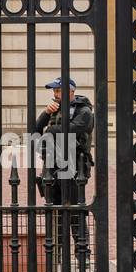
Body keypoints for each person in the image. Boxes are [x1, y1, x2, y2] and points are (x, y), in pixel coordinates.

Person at [34, 77, 95, 205]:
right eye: (54, 91)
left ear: (70, 91)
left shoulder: (84, 111)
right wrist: (45, 113)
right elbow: (35, 132)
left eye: (58, 91)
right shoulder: (54, 110)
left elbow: (71, 130)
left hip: (74, 166)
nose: (55, 95)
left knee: (73, 211)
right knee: (53, 211)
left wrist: (50, 130)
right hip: (51, 165)